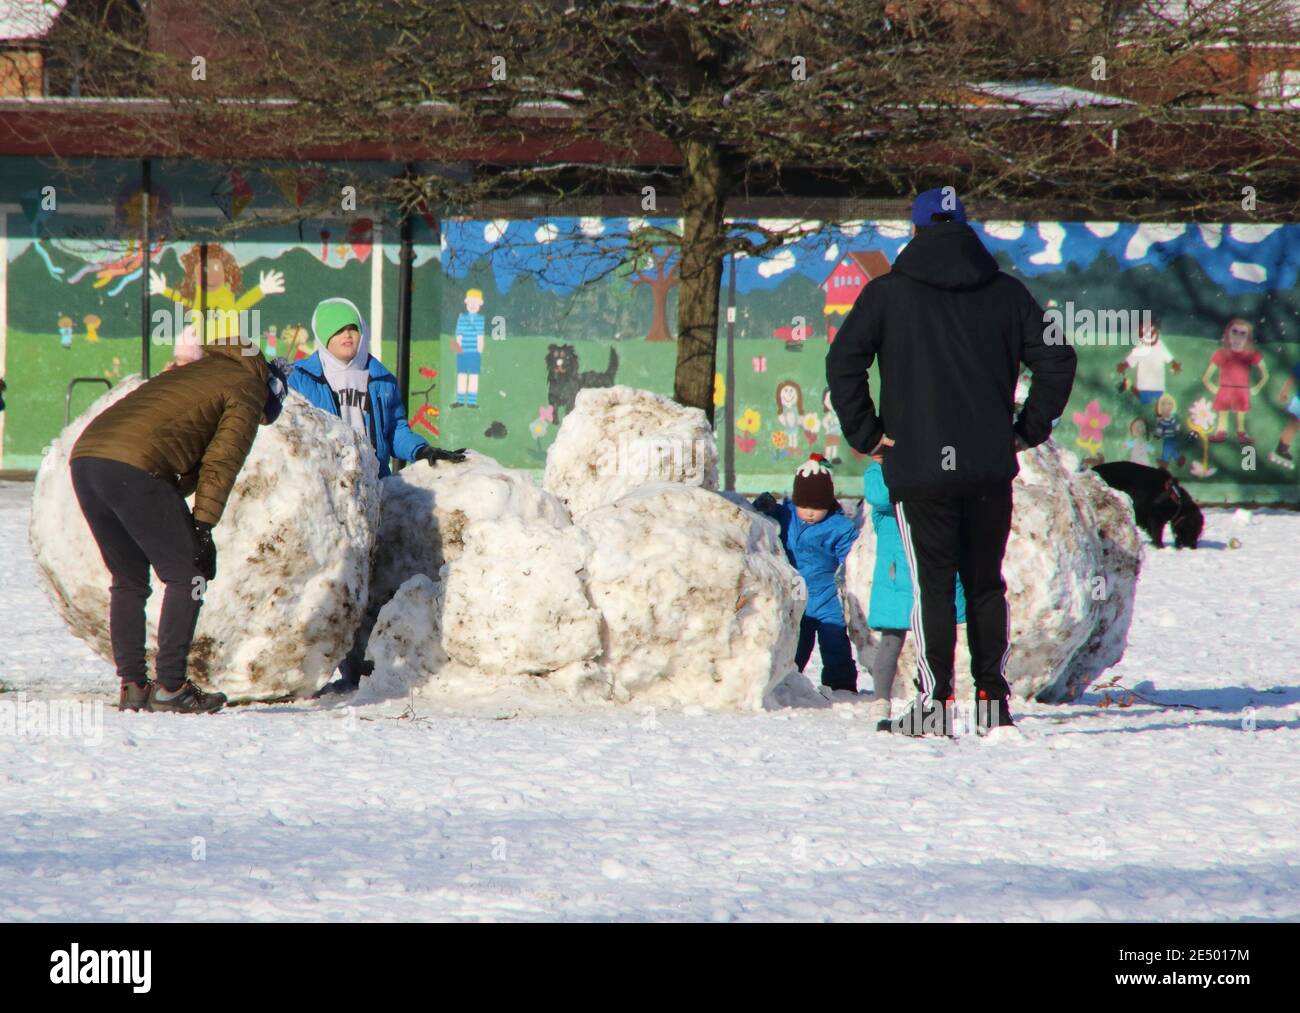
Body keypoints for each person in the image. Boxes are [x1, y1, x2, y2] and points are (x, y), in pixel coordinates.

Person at [826, 187, 1077, 737]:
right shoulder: (1008, 293)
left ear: (915, 232)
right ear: (967, 229)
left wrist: (867, 433)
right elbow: (1057, 357)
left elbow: (843, 362)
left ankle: (934, 706)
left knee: (934, 587)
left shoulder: (886, 294)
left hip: (920, 470)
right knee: (985, 584)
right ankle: (992, 703)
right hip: (988, 469)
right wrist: (1026, 430)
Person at [70, 335, 289, 714]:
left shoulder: (204, 369)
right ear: (269, 392)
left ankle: (134, 686)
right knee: (189, 574)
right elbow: (222, 461)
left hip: (88, 458)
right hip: (136, 465)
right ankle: (172, 687)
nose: (259, 421)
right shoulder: (249, 385)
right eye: (263, 416)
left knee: (128, 578)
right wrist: (202, 529)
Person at [288, 297, 466, 694]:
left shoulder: (379, 378)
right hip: (326, 498)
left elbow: (396, 429)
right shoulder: (301, 378)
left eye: (352, 328)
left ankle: (360, 667)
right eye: (338, 331)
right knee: (330, 580)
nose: (347, 336)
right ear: (323, 338)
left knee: (368, 581)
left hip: (372, 495)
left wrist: (422, 450)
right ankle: (307, 666)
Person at [863, 457, 966, 731]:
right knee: (890, 642)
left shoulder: (930, 461)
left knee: (934, 644)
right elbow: (881, 495)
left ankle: (940, 698)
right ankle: (880, 699)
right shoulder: (880, 478)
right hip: (896, 579)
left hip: (925, 573)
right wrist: (892, 466)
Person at [755, 453, 859, 697]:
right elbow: (760, 517)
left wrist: (846, 572)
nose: (810, 513)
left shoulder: (839, 527)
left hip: (826, 596)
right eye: (805, 507)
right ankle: (789, 680)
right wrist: (763, 505)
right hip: (794, 596)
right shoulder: (787, 515)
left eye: (818, 508)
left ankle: (841, 685)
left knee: (834, 641)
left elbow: (851, 556)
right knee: (794, 642)